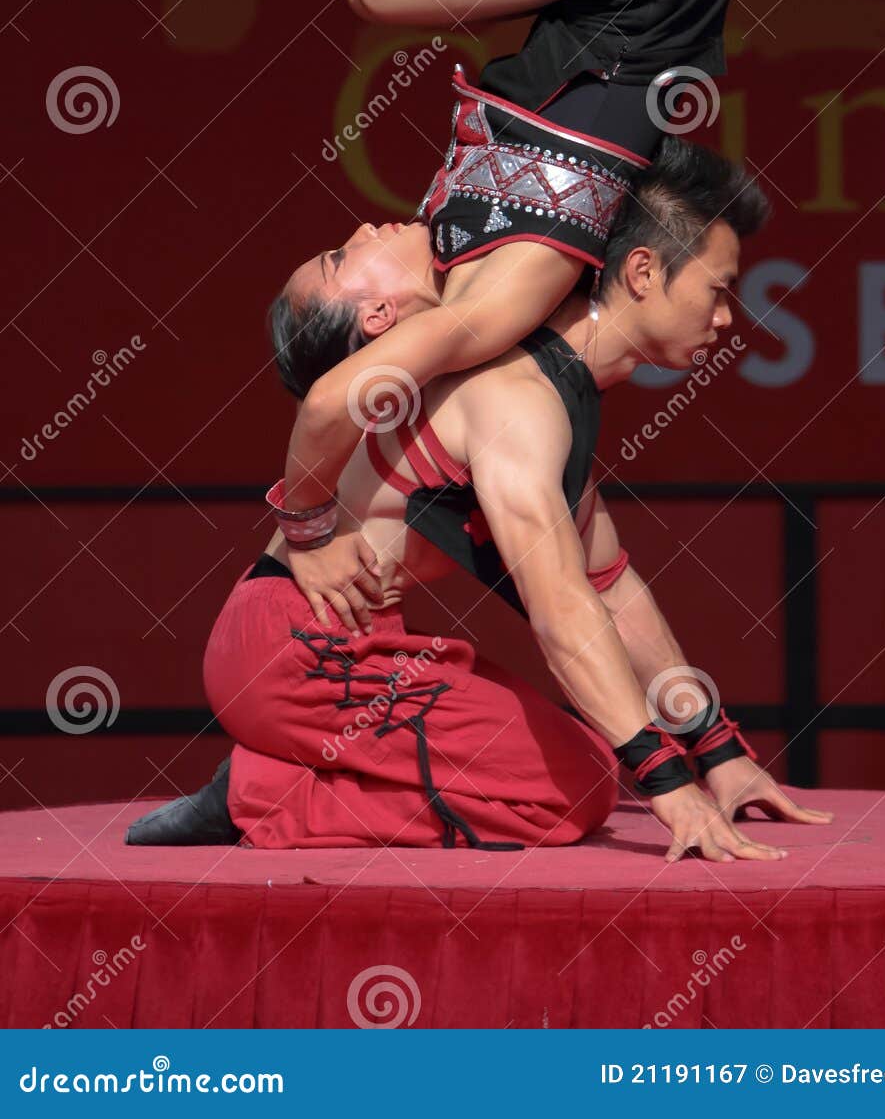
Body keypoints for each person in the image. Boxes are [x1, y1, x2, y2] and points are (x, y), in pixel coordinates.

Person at [128, 140, 832, 861]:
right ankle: (257, 795)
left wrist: (717, 756)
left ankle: (283, 777)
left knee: (589, 761)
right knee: (581, 786)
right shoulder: (513, 395)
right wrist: (668, 786)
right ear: (644, 272)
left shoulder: (540, 386)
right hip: (290, 652)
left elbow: (611, 593)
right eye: (717, 290)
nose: (726, 319)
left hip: (333, 641)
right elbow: (561, 614)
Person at [270, 0, 748, 615]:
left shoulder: (461, 267)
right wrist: (307, 526)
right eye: (337, 256)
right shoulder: (474, 314)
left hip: (608, 3)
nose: (357, 228)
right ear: (373, 324)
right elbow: (330, 404)